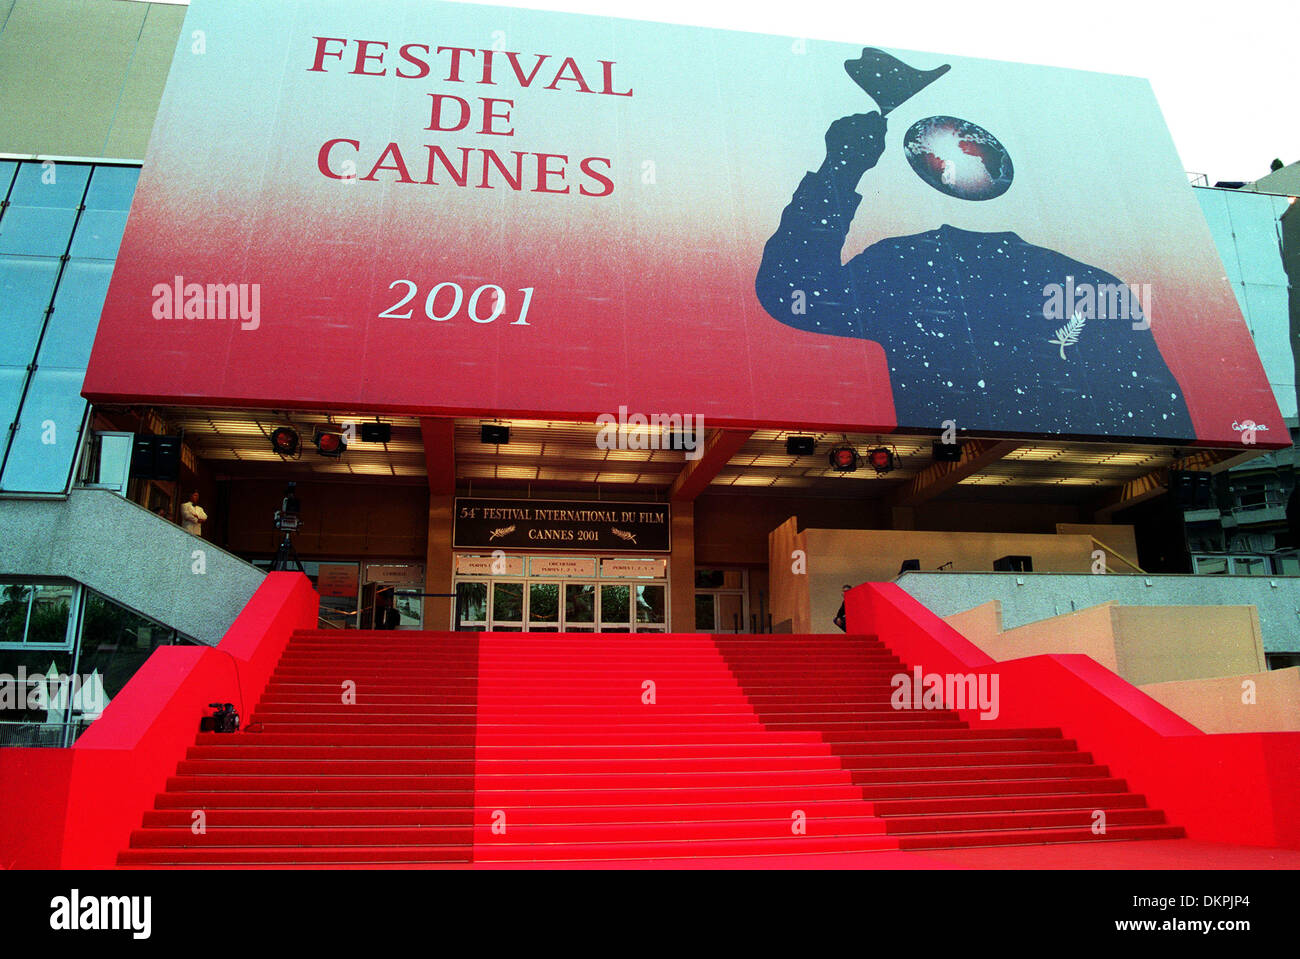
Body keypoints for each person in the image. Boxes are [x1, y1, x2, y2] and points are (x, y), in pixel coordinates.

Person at [755, 109, 1194, 439]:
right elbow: (1163, 418)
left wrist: (841, 168)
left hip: (944, 479)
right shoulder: (1094, 284)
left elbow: (795, 293)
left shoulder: (904, 264)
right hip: (1074, 484)